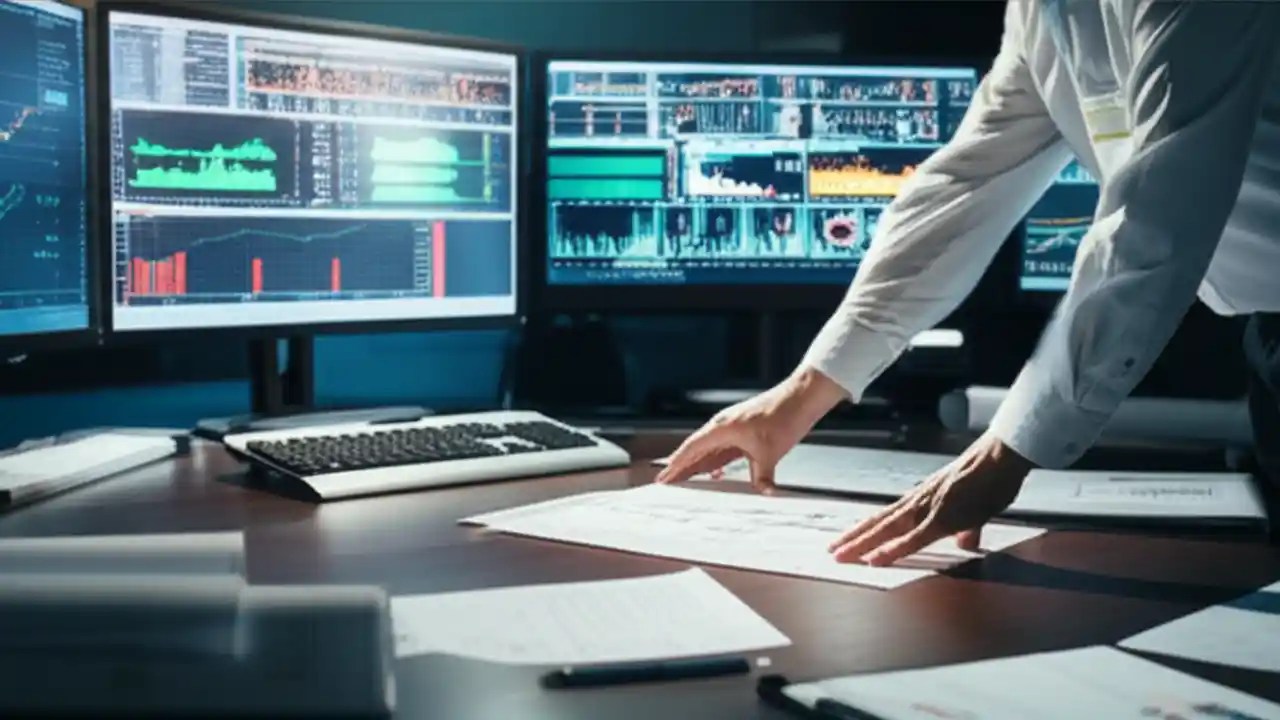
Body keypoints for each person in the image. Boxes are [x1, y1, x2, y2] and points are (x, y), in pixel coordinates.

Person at [657, 0, 1280, 562]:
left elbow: (1157, 216)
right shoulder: (1043, 12)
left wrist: (1007, 451)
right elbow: (966, 186)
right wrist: (801, 395)